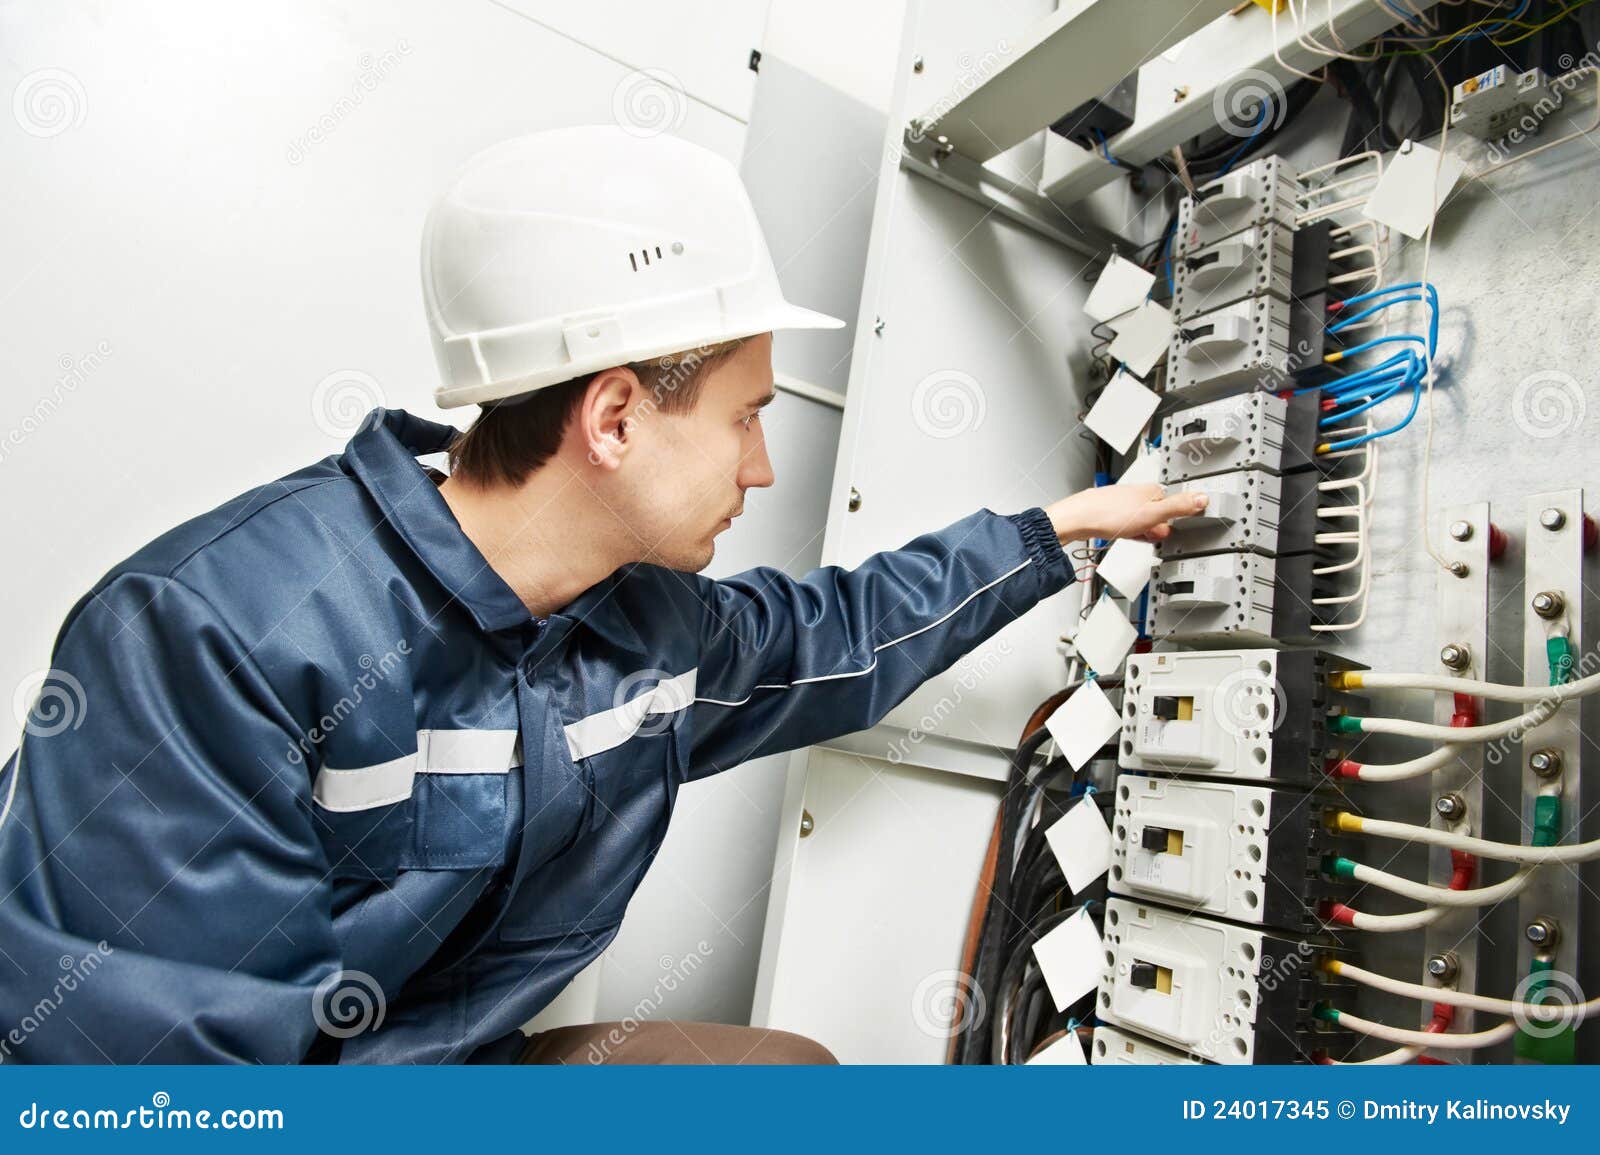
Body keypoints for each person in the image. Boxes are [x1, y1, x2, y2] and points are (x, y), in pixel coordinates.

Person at [0, 126, 1203, 1065]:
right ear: (615, 418)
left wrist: (1055, 532)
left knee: (783, 1079)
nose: (762, 465)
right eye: (745, 418)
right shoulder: (205, 638)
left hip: (457, 1065)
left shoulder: (641, 622)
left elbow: (832, 637)